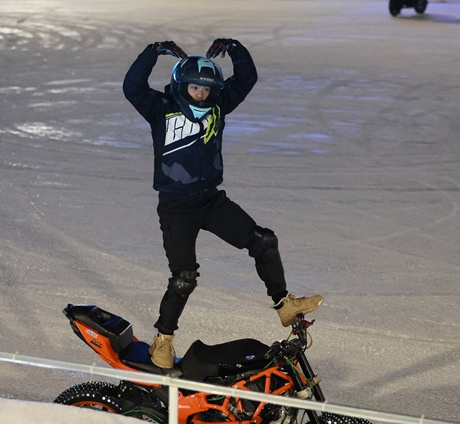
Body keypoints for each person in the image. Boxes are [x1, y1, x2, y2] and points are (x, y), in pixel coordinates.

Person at [123, 38, 324, 369]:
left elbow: (246, 80)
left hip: (211, 200)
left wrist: (234, 48)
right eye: (194, 87)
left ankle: (284, 304)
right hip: (176, 205)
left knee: (263, 240)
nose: (200, 94)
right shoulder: (161, 108)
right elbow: (132, 87)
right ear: (180, 84)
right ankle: (163, 339)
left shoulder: (218, 106)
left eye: (206, 89)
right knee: (184, 277)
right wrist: (152, 52)